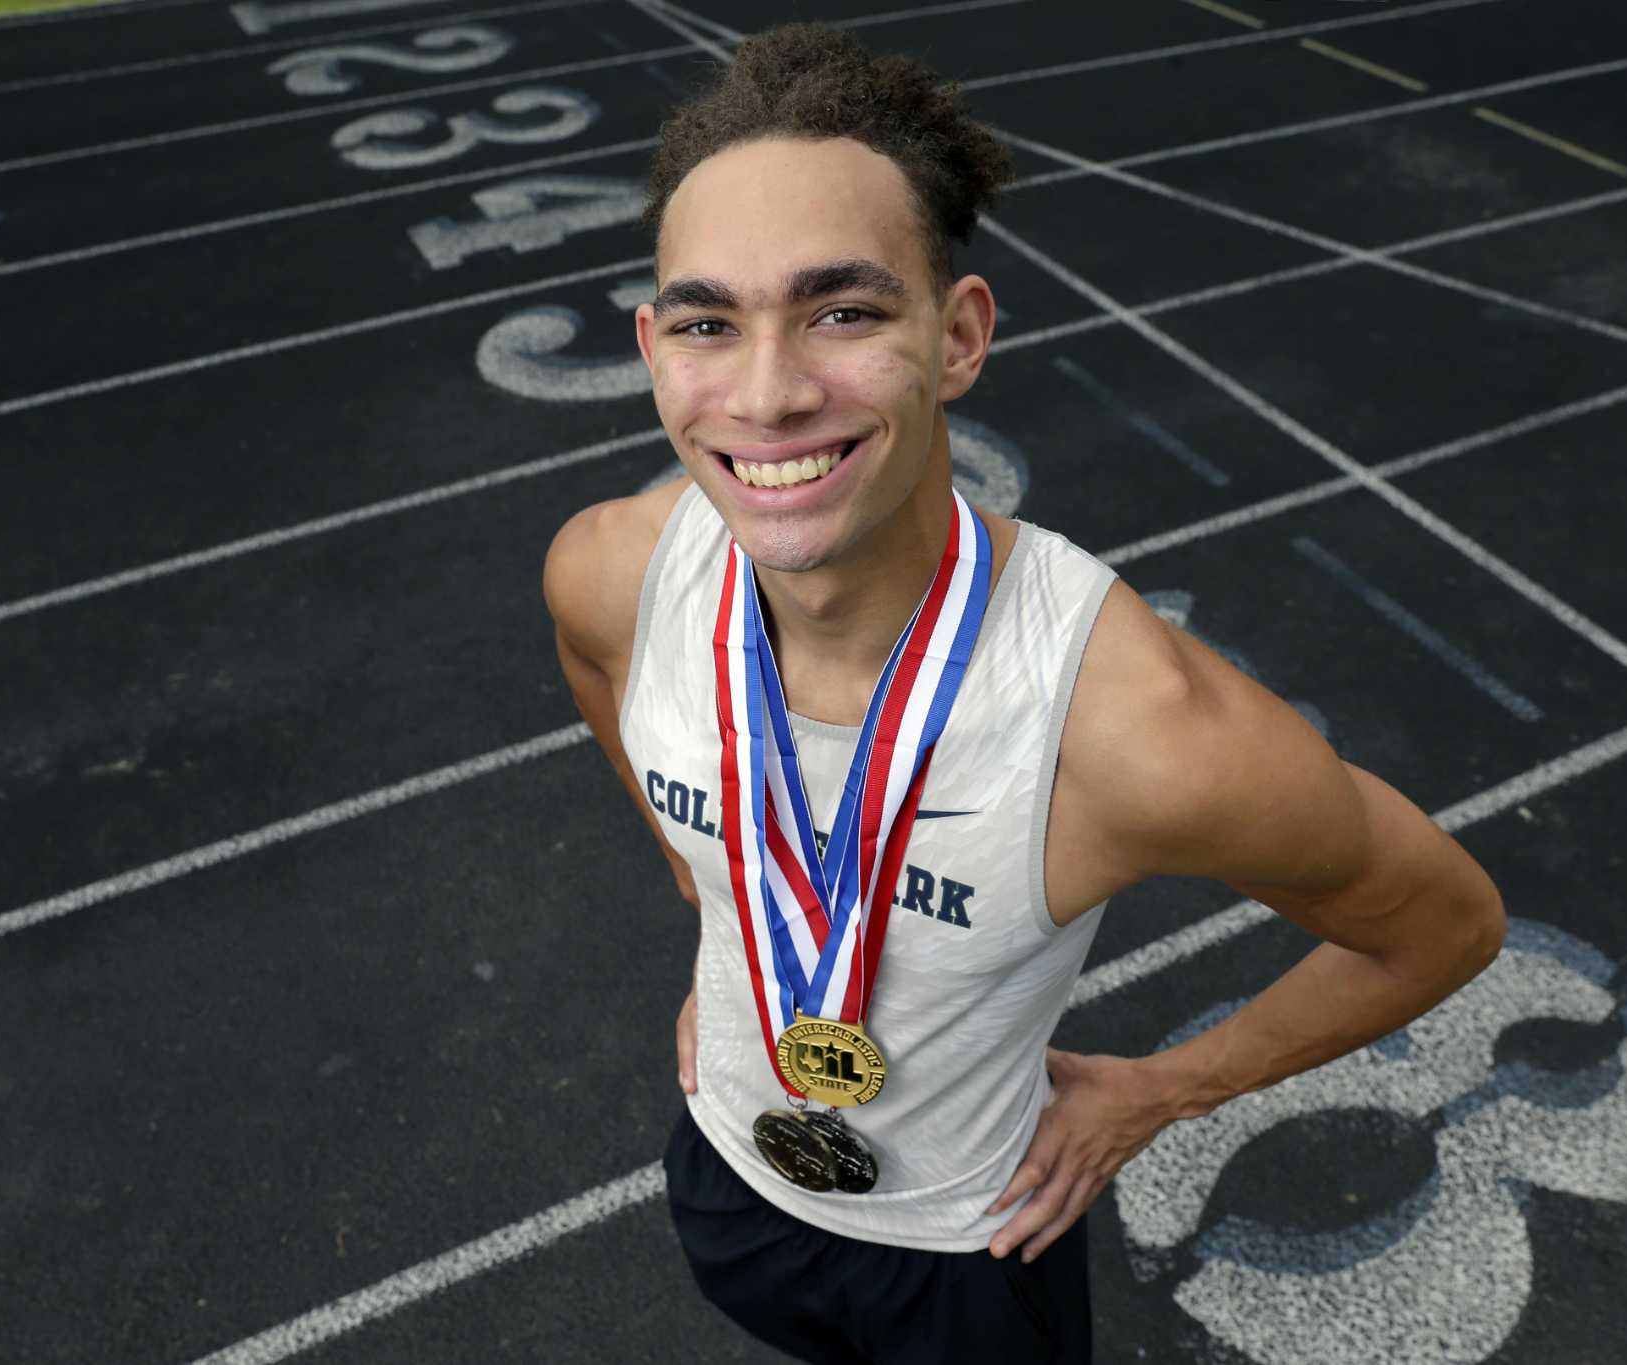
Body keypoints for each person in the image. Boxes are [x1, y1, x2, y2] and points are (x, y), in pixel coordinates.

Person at [542, 23, 1506, 1364]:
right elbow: (597, 671)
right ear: (654, 350)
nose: (766, 394)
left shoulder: (1141, 729)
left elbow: (1445, 925)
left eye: (842, 312)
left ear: (958, 337)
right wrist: (714, 903)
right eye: (710, 323)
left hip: (973, 1253)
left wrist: (1164, 1091)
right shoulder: (611, 576)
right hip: (728, 1171)